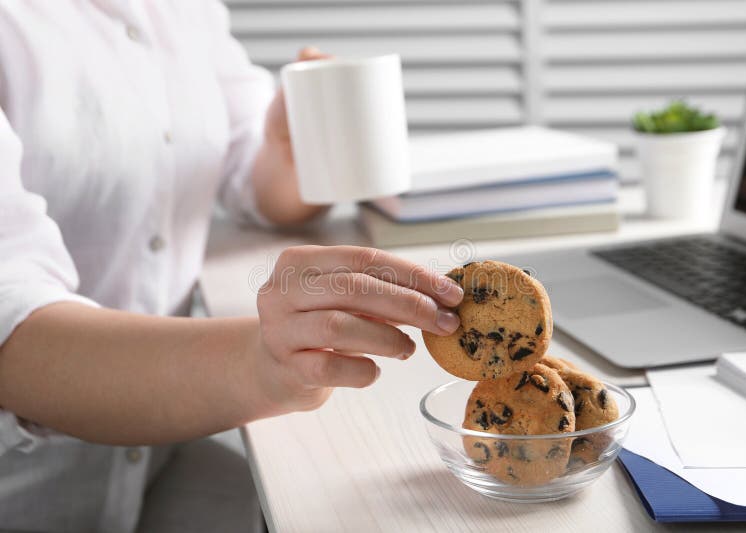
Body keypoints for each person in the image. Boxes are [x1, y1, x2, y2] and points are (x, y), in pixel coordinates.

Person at [0, 2, 464, 532]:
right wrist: (260, 364)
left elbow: (251, 175)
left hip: (160, 456)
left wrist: (299, 148)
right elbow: (13, 337)